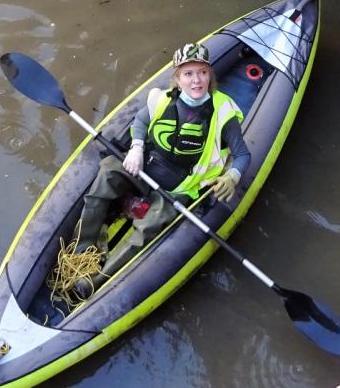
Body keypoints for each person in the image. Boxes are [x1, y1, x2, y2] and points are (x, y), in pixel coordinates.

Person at [70, 42, 251, 297]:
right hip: (146, 169)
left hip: (179, 188)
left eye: (202, 72)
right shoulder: (163, 99)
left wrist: (233, 176)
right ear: (177, 78)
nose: (196, 80)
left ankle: (98, 280)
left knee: (150, 226)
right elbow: (140, 121)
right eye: (188, 73)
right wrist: (136, 147)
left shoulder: (223, 111)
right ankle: (82, 251)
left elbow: (242, 155)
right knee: (108, 171)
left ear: (210, 75)